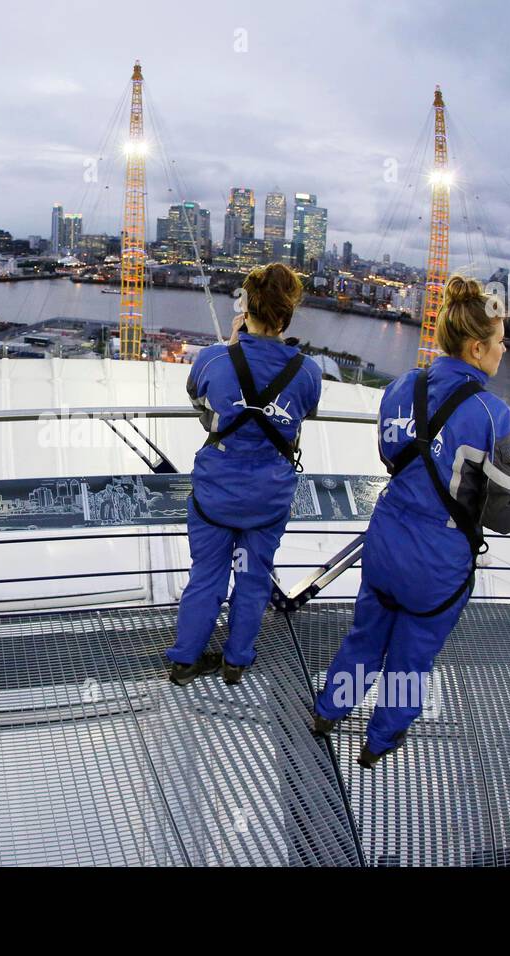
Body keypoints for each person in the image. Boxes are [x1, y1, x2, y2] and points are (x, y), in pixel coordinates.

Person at [312, 275, 510, 767]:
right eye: (500, 341)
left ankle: (328, 710)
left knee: (365, 636)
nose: (504, 350)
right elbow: (505, 515)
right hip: (437, 563)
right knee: (412, 657)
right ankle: (379, 741)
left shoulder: (401, 387)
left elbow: (392, 456)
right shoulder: (494, 416)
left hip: (385, 543)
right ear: (477, 348)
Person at [166, 263, 323, 686]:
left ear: (246, 307)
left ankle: (185, 660)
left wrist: (235, 347)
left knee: (207, 575)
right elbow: (303, 413)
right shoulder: (307, 372)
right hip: (267, 498)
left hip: (216, 493)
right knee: (253, 578)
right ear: (287, 314)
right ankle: (237, 661)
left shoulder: (214, 359)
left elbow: (199, 401)